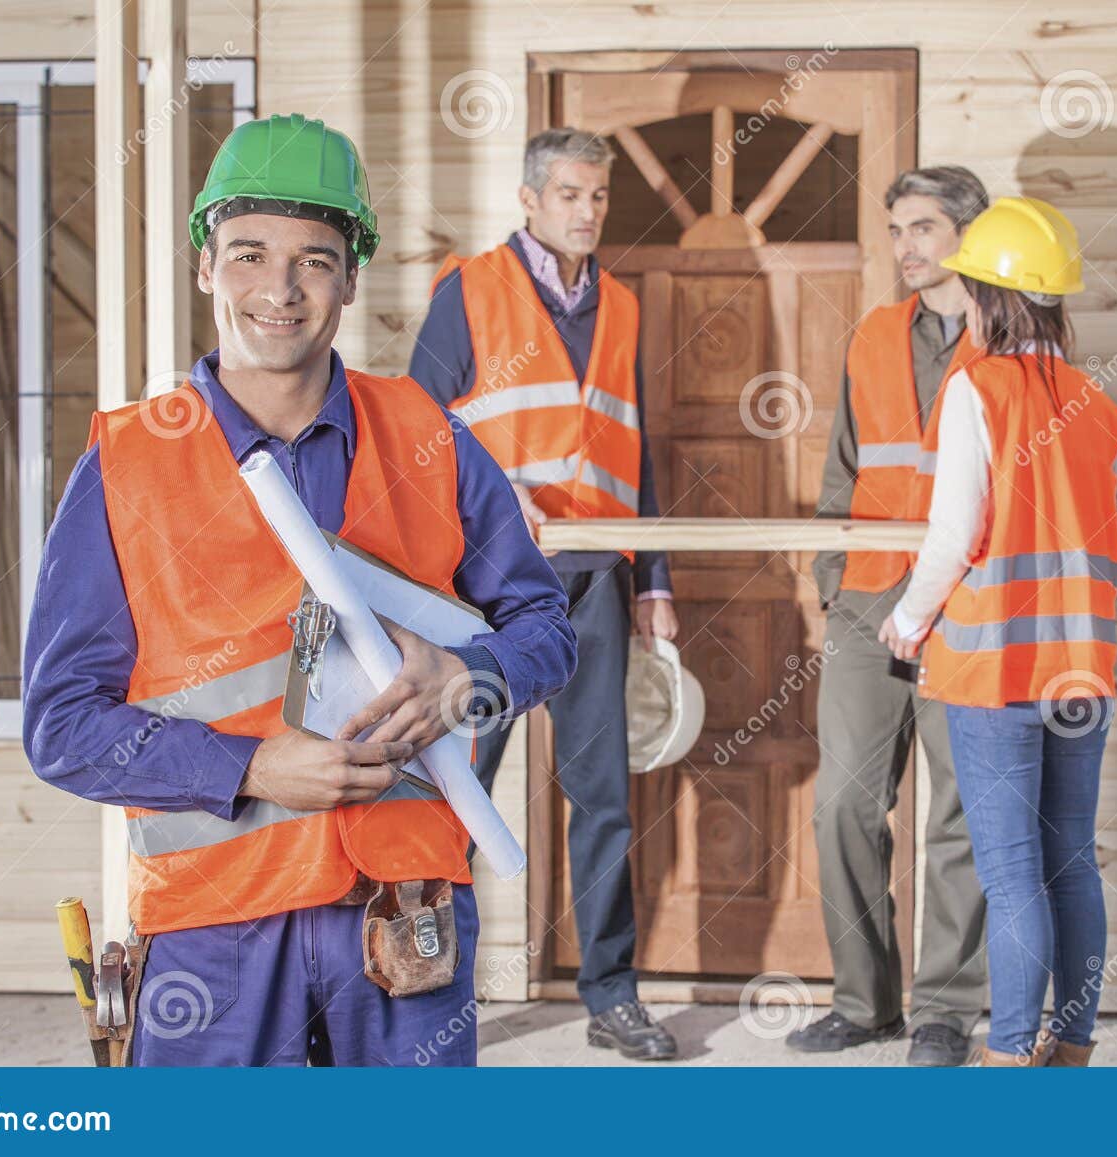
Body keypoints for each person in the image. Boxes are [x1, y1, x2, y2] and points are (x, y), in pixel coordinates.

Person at [22, 114, 577, 1067]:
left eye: (314, 261)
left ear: (352, 277)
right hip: (215, 929)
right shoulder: (128, 463)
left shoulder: (426, 435)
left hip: (404, 915)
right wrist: (246, 769)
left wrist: (470, 676)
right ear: (206, 266)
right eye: (248, 255)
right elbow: (62, 727)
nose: (279, 290)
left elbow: (546, 631)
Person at [408, 127, 679, 1061]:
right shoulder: (468, 291)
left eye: (598, 196)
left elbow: (638, 444)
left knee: (601, 791)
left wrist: (656, 582)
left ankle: (612, 995)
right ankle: (431, 989)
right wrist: (494, 492)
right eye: (569, 194)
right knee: (462, 787)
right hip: (491, 586)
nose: (586, 211)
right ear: (529, 200)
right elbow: (417, 426)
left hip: (600, 577)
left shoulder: (626, 307)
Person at [883, 196, 1117, 1067]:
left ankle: (1010, 1056)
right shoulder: (1096, 403)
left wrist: (908, 622)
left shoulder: (975, 390)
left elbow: (955, 535)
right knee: (1072, 864)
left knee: (1012, 870)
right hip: (1080, 675)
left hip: (994, 674)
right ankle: (1071, 1048)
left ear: (987, 296)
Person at [790, 167, 990, 1066]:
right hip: (871, 596)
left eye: (924, 227)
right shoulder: (873, 334)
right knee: (843, 805)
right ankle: (865, 1001)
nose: (906, 245)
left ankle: (945, 1009)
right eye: (897, 228)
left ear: (969, 233)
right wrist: (836, 581)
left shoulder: (1011, 337)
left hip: (971, 602)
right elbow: (845, 466)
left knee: (959, 811)